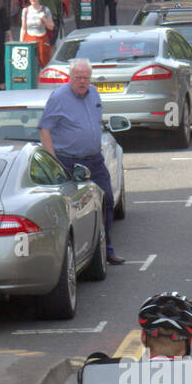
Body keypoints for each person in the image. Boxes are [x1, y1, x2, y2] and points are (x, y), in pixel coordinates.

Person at [38, 58, 123, 266]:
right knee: (75, 210)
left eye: (86, 78)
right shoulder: (58, 97)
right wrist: (53, 161)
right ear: (70, 77)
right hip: (69, 162)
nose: (82, 82)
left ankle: (106, 248)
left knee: (108, 202)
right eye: (78, 78)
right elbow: (44, 129)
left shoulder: (93, 92)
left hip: (94, 160)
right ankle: (79, 255)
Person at [19, 0, 55, 70]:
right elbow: (23, 28)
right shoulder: (26, 11)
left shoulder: (45, 10)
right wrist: (20, 43)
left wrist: (44, 19)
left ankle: (42, 81)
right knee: (29, 65)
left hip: (42, 39)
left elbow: (51, 27)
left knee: (44, 64)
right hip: (29, 38)